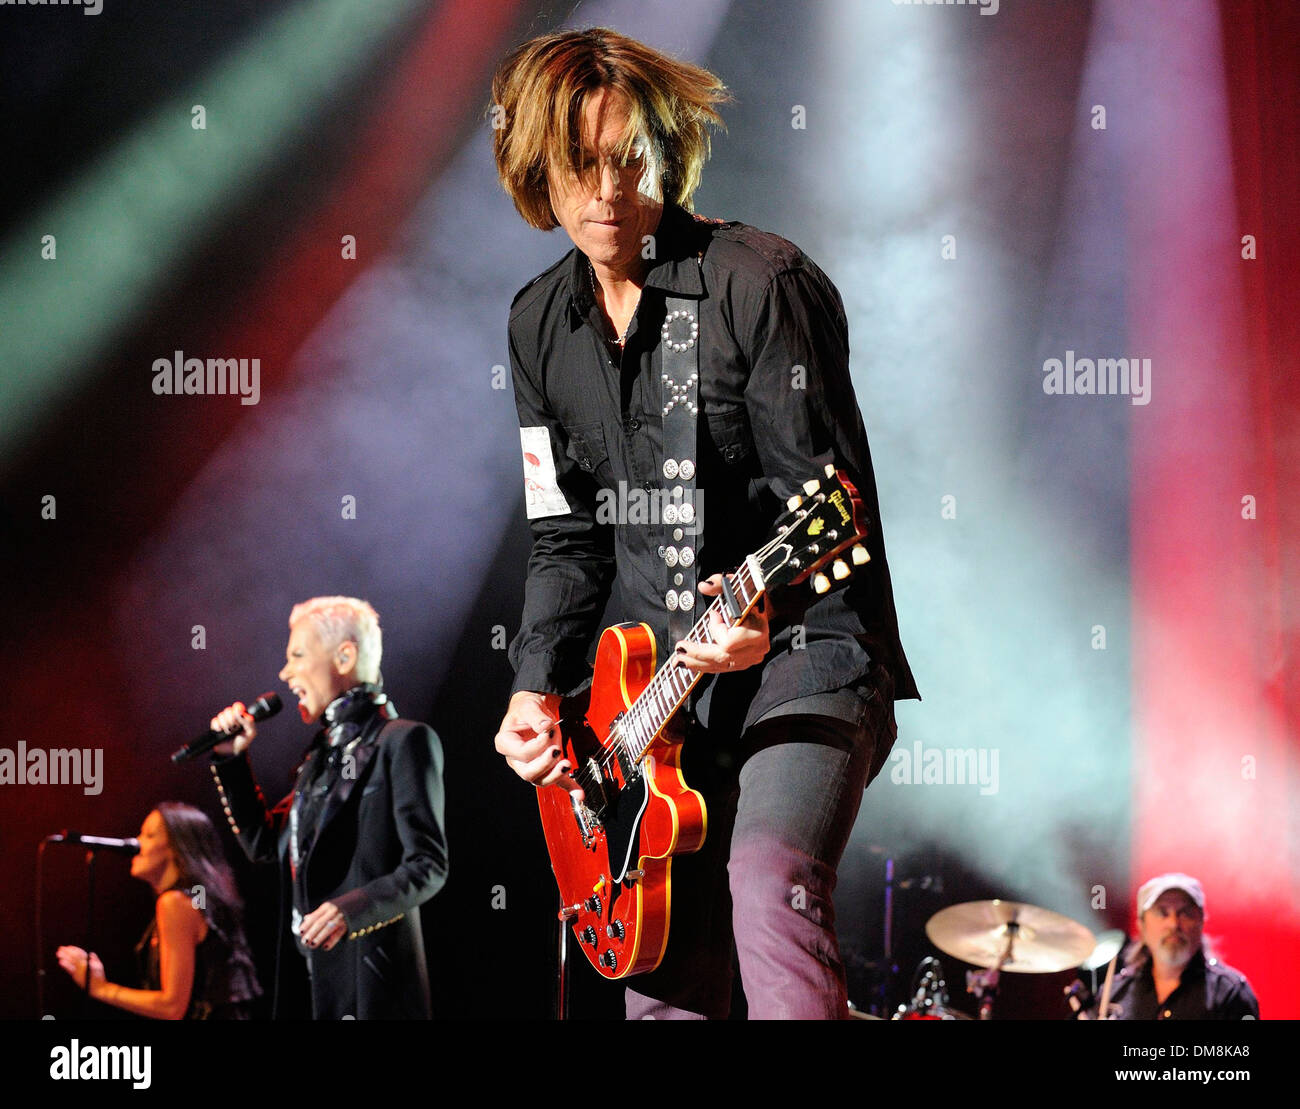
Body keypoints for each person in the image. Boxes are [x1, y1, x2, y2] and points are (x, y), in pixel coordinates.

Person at [490, 28, 919, 1019]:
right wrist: (532, 690)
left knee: (766, 881)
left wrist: (768, 613)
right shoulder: (534, 325)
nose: (607, 189)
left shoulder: (757, 283)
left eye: (628, 157)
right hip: (646, 692)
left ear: (666, 151)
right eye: (580, 164)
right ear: (536, 172)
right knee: (662, 981)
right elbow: (563, 535)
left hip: (803, 651)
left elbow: (831, 503)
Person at [208, 596, 447, 1019]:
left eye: (297, 655)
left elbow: (428, 864)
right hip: (309, 987)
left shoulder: (403, 740)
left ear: (345, 655)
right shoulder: (320, 757)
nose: (285, 673)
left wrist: (348, 910)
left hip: (372, 986)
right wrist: (231, 758)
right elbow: (264, 843)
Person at [56, 802, 261, 1019]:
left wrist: (99, 988)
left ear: (177, 847)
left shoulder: (175, 903)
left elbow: (171, 1007)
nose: (136, 842)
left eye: (149, 835)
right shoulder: (198, 895)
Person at [1103, 872, 1259, 1020]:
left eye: (1185, 913)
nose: (1173, 924)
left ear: (1201, 921)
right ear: (1141, 925)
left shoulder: (1231, 994)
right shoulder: (1114, 994)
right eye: (1162, 912)